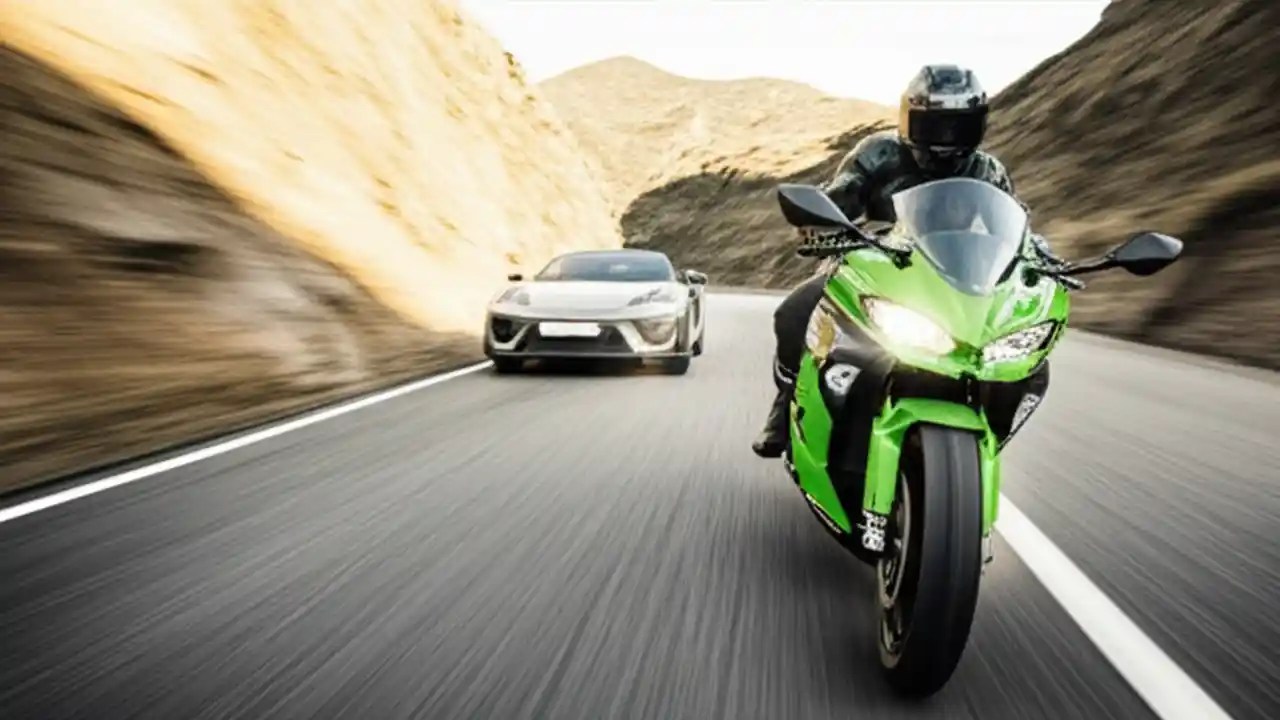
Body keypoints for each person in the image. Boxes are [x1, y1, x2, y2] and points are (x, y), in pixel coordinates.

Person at [752, 64, 1063, 459]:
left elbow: (1008, 224)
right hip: (872, 264)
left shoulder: (988, 171)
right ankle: (787, 402)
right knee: (793, 316)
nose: (945, 141)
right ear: (908, 119)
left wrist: (1035, 251)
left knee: (1025, 355)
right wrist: (821, 219)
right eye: (934, 126)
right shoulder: (878, 154)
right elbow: (840, 198)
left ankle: (982, 440)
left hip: (954, 281)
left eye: (958, 126)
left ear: (978, 126)